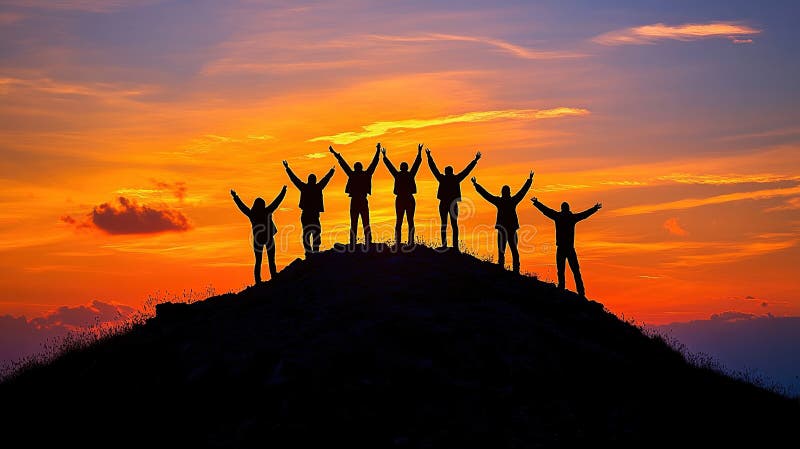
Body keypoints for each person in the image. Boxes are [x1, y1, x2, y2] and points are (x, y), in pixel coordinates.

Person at [531, 198, 602, 297]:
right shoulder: (571, 217)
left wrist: (537, 203)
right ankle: (580, 292)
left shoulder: (558, 216)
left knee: (562, 270)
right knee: (575, 271)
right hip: (569, 248)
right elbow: (584, 215)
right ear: (568, 209)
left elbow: (546, 211)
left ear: (562, 209)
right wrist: (594, 209)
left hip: (562, 248)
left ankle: (562, 288)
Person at [471, 171, 533, 273]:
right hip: (511, 229)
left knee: (503, 250)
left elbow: (487, 195)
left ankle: (502, 269)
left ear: (502, 192)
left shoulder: (500, 201)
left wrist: (476, 185)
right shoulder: (512, 201)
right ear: (509, 192)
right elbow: (523, 192)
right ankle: (515, 271)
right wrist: (529, 180)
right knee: (513, 250)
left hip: (504, 229)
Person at [426, 148, 481, 250]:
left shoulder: (442, 178)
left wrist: (429, 157)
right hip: (452, 204)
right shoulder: (456, 178)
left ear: (446, 172)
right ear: (452, 171)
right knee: (453, 225)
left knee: (444, 224)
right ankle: (454, 246)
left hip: (445, 203)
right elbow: (467, 171)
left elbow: (433, 169)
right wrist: (475, 160)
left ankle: (445, 245)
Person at [231, 186, 287, 284]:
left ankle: (258, 281)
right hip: (268, 238)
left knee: (258, 261)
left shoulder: (252, 214)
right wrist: (283, 192)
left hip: (258, 240)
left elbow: (242, 207)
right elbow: (276, 202)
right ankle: (273, 276)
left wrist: (235, 197)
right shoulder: (266, 211)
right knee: (271, 259)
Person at [329, 143, 381, 247]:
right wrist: (378, 152)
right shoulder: (365, 174)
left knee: (355, 223)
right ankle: (367, 242)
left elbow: (343, 164)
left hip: (356, 201)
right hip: (362, 200)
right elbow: (374, 163)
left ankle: (353, 243)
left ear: (355, 167)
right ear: (361, 167)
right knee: (365, 222)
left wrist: (336, 154)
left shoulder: (353, 174)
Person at [283, 160, 335, 255]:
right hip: (312, 215)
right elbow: (325, 179)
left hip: (307, 215)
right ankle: (313, 252)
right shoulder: (317, 187)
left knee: (309, 234)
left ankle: (309, 253)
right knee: (314, 234)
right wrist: (331, 171)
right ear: (314, 180)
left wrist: (287, 168)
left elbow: (294, 179)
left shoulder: (305, 187)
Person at [382, 143, 423, 247]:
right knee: (409, 220)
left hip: (402, 198)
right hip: (408, 198)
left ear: (401, 167)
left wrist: (385, 157)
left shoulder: (399, 175)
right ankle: (410, 241)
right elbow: (416, 165)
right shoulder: (409, 174)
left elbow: (390, 167)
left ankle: (399, 241)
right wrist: (419, 153)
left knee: (400, 220)